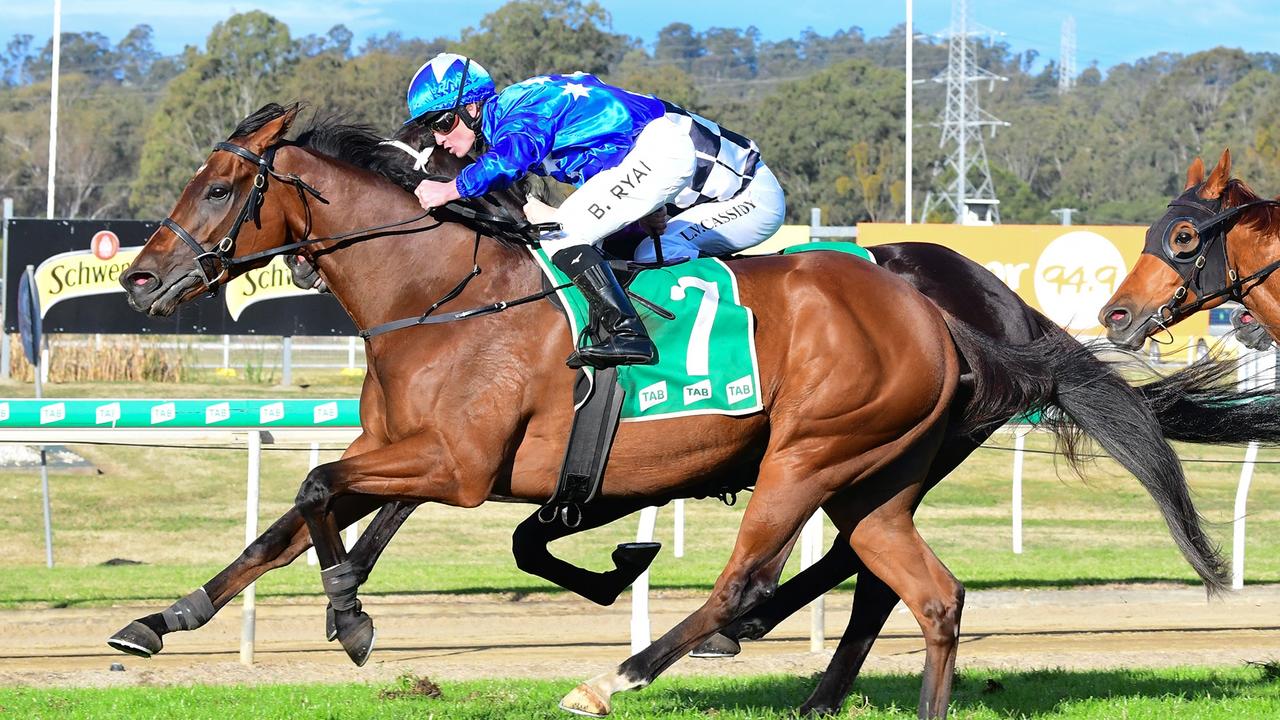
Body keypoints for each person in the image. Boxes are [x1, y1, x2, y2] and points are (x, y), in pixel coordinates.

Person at [402, 52, 786, 369]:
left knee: (566, 235)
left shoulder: (522, 110)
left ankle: (633, 335)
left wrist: (451, 188)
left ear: (471, 106)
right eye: (429, 128)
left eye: (442, 122)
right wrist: (645, 203)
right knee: (603, 241)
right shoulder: (518, 108)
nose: (439, 137)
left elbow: (508, 161)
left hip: (748, 198)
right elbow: (602, 162)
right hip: (664, 161)